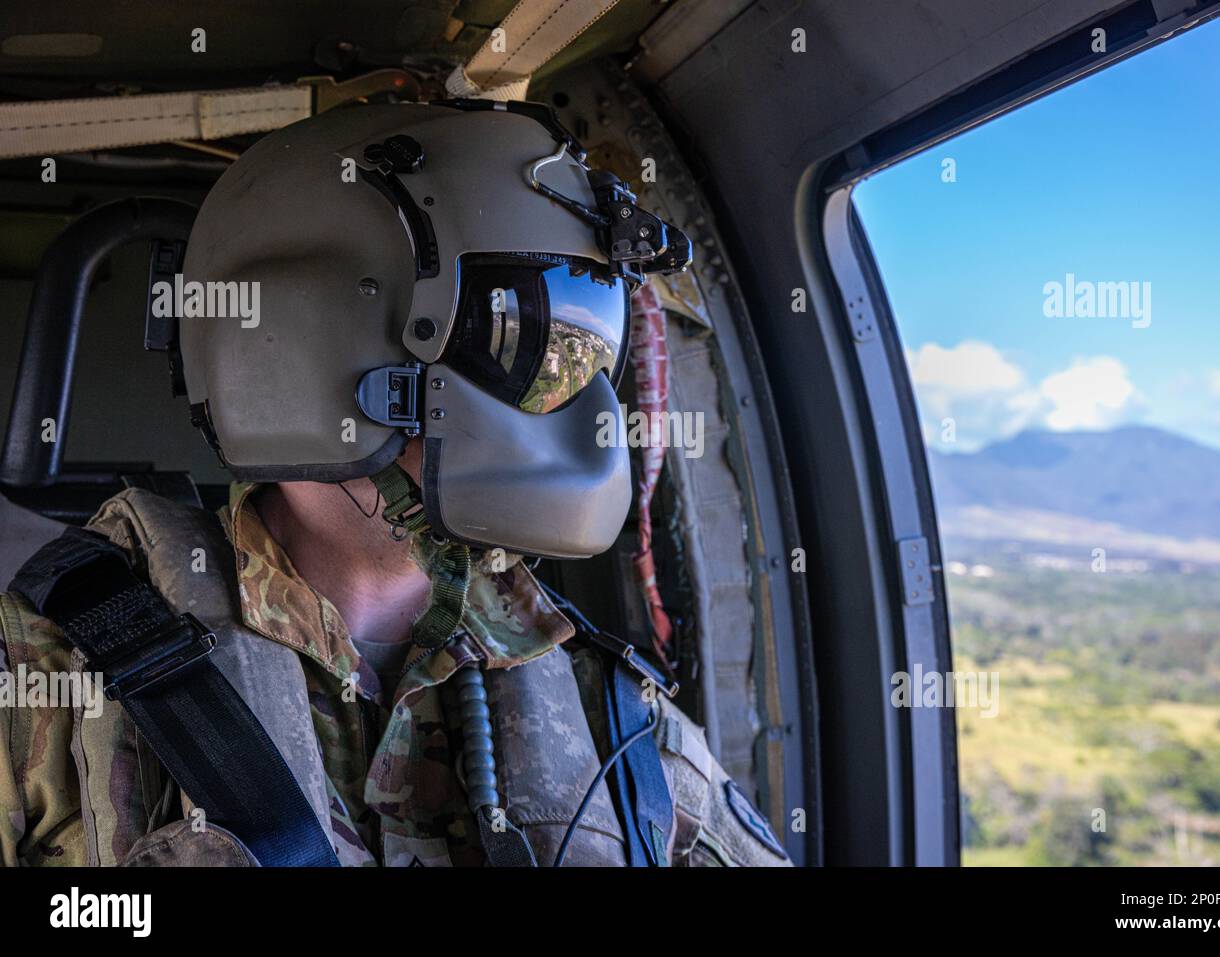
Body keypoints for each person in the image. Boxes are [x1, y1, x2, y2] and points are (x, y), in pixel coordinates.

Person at [0, 100, 790, 867]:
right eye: (526, 338)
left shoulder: (610, 714)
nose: (572, 403)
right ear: (313, 343)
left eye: (589, 345)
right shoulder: (48, 668)